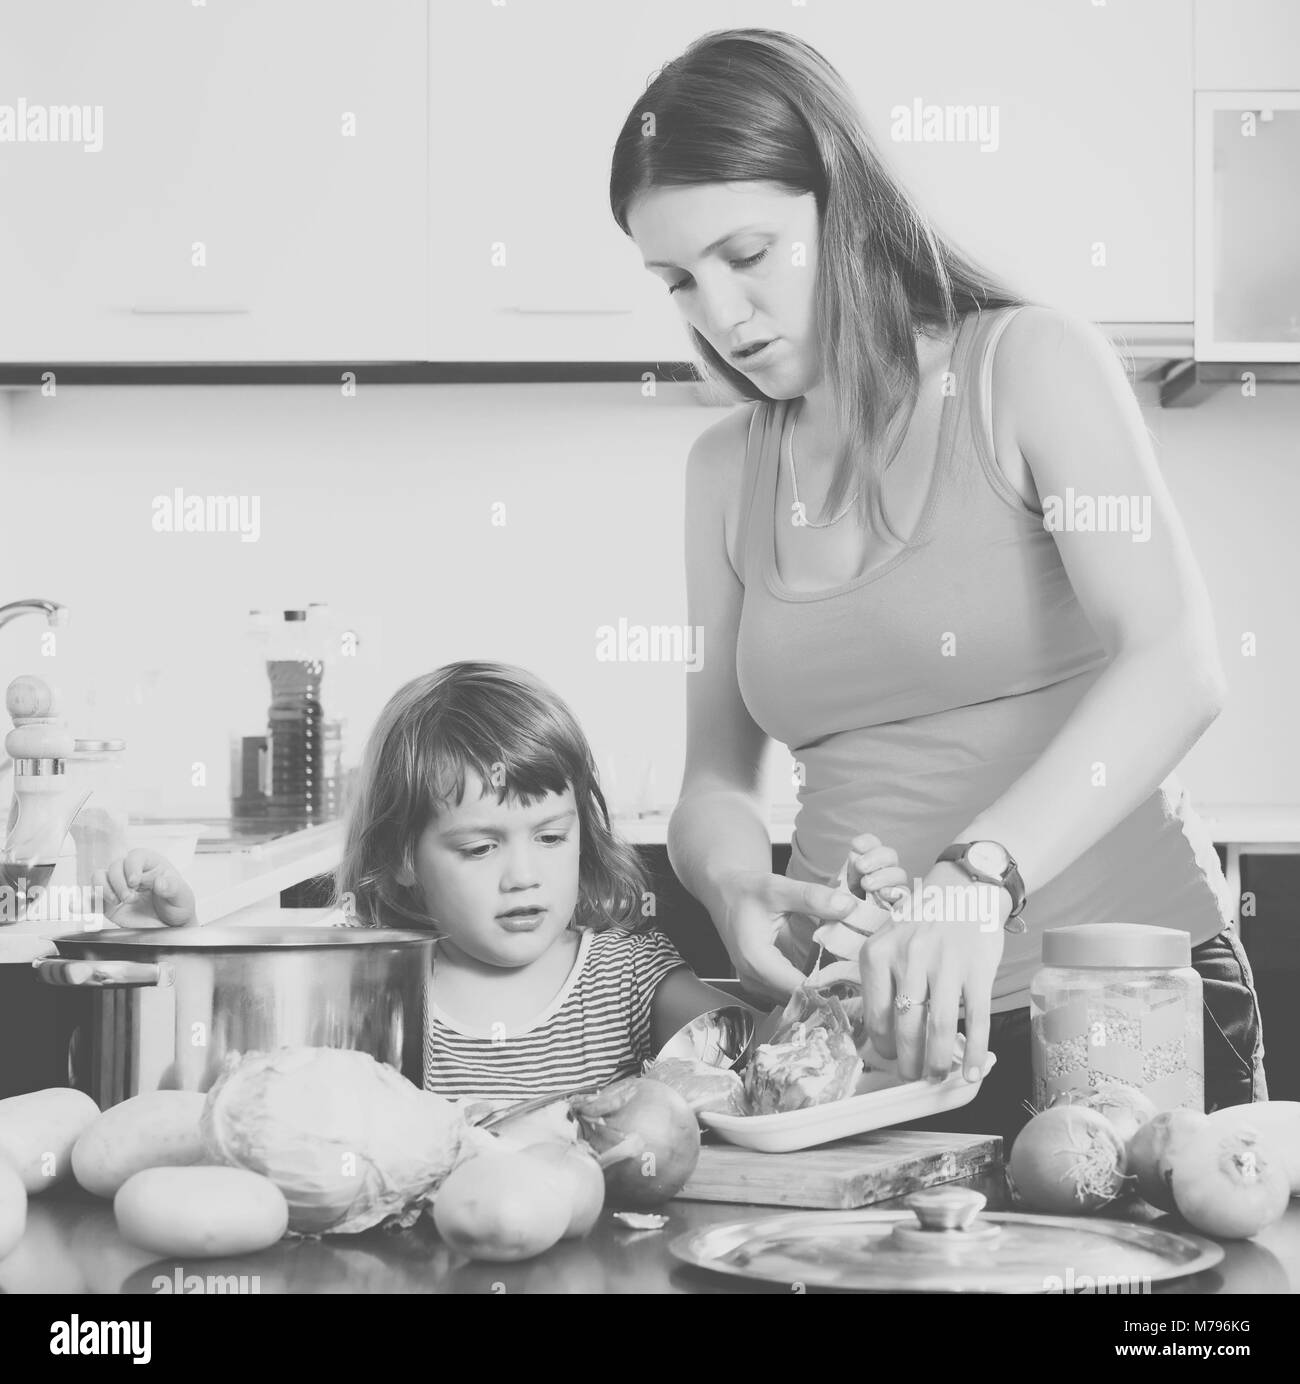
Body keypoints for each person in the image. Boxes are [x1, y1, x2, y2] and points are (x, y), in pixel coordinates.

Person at [609, 29, 1266, 1143]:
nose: (719, 314)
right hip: (855, 1029)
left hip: (1107, 999)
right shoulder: (723, 469)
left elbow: (1175, 664)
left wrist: (976, 878)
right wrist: (732, 888)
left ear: (842, 203)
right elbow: (715, 777)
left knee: (1150, 1306)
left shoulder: (1028, 367)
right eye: (677, 280)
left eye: (749, 253)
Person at [94, 662, 759, 1115]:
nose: (523, 874)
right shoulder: (362, 977)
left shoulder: (628, 978)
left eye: (551, 837)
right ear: (402, 855)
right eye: (479, 847)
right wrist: (169, 940)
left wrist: (836, 964)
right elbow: (232, 1049)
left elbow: (765, 1049)